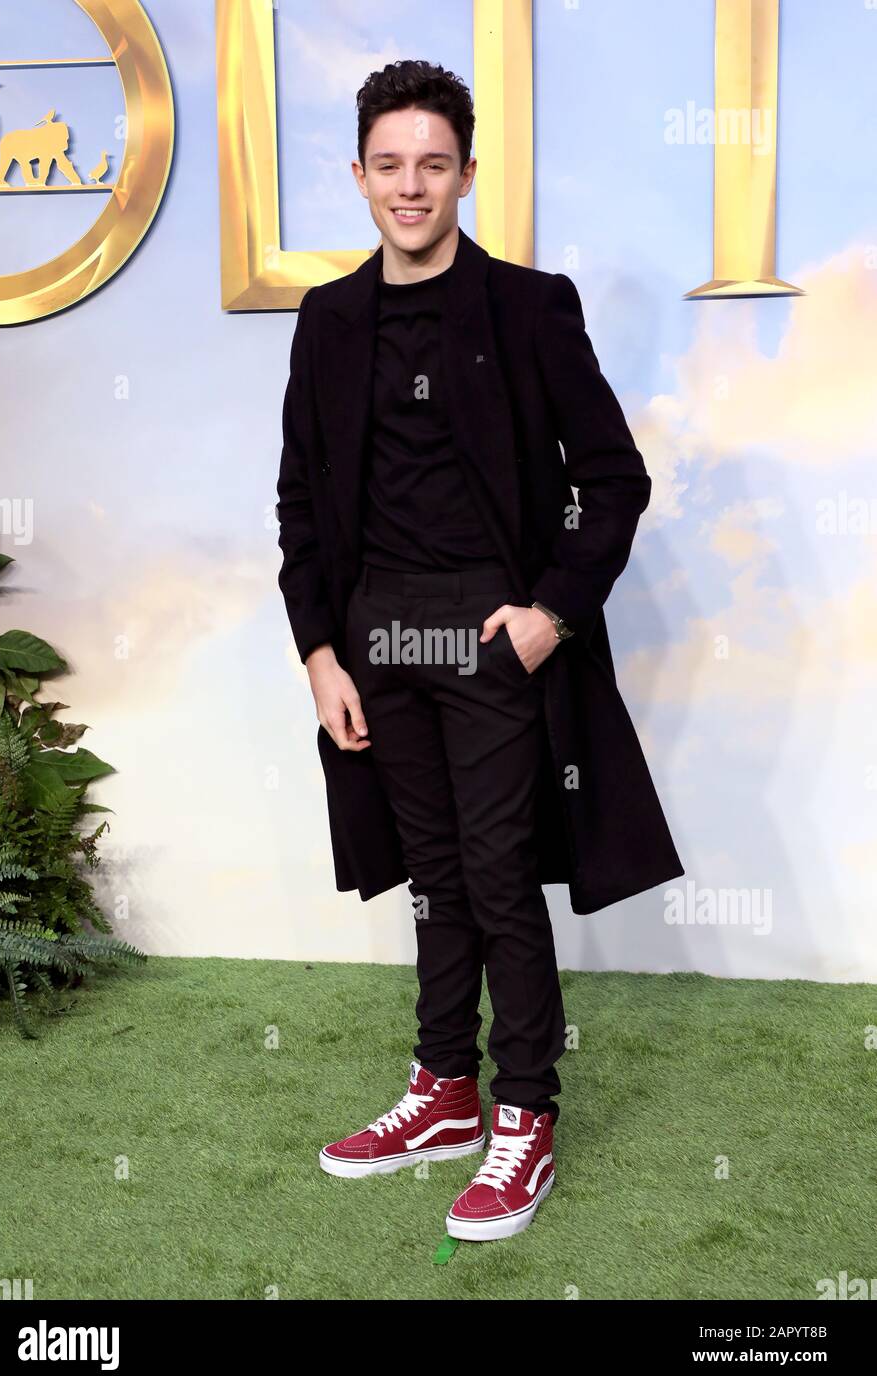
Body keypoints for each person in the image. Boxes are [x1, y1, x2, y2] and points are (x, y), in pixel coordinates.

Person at [275, 60, 684, 1242]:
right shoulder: (330, 318)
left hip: (491, 631)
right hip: (376, 635)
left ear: (467, 170)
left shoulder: (529, 306)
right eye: (389, 165)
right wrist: (319, 650)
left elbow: (613, 479)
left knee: (501, 876)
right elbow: (301, 501)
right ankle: (443, 1086)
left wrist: (551, 613)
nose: (412, 186)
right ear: (358, 177)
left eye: (433, 163)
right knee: (438, 875)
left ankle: (526, 1116)